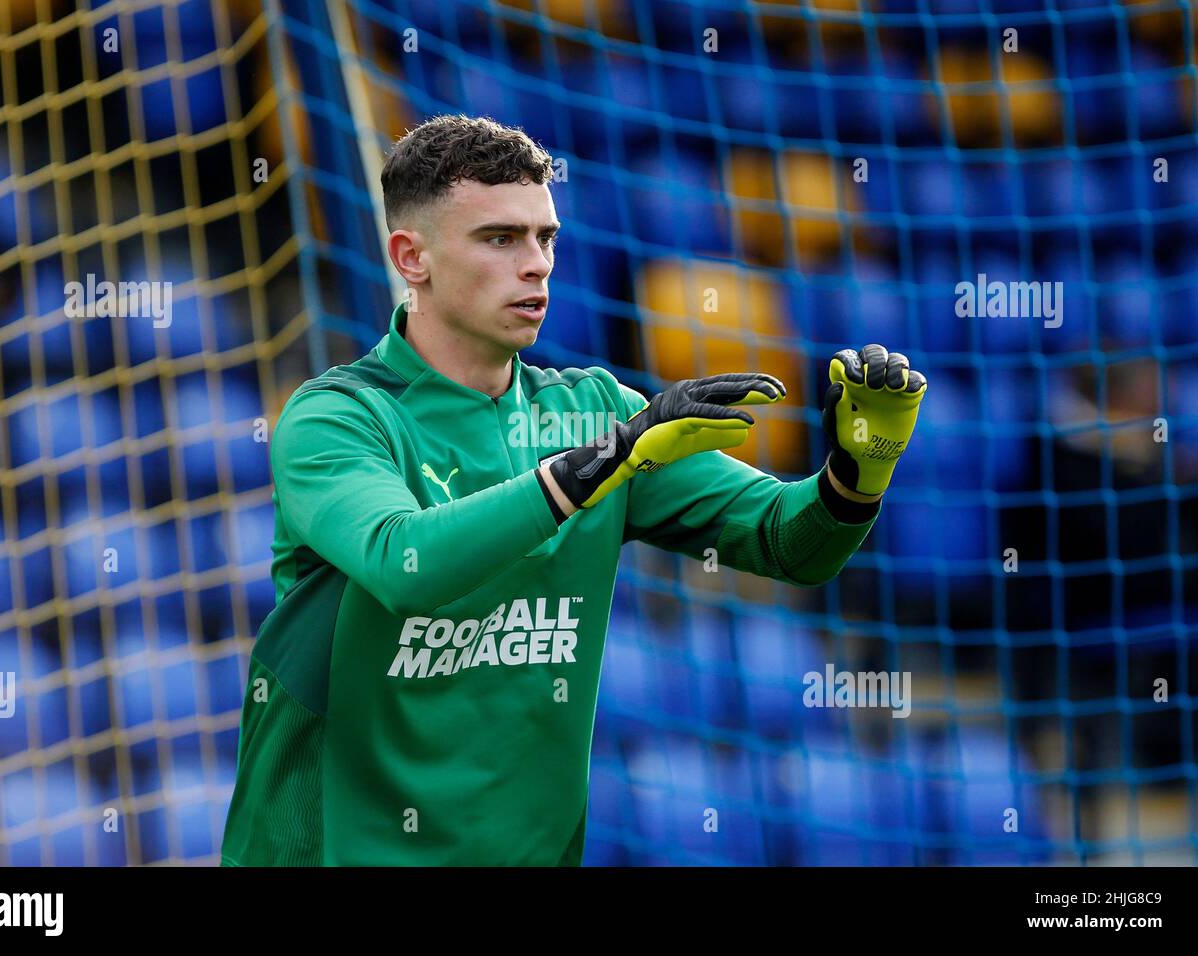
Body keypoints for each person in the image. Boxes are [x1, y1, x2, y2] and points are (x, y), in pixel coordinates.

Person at [221, 114, 927, 865]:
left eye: (545, 237)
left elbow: (791, 544)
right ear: (411, 257)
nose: (535, 265)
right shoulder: (336, 417)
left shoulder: (595, 414)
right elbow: (406, 566)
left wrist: (859, 467)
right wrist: (595, 467)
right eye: (500, 238)